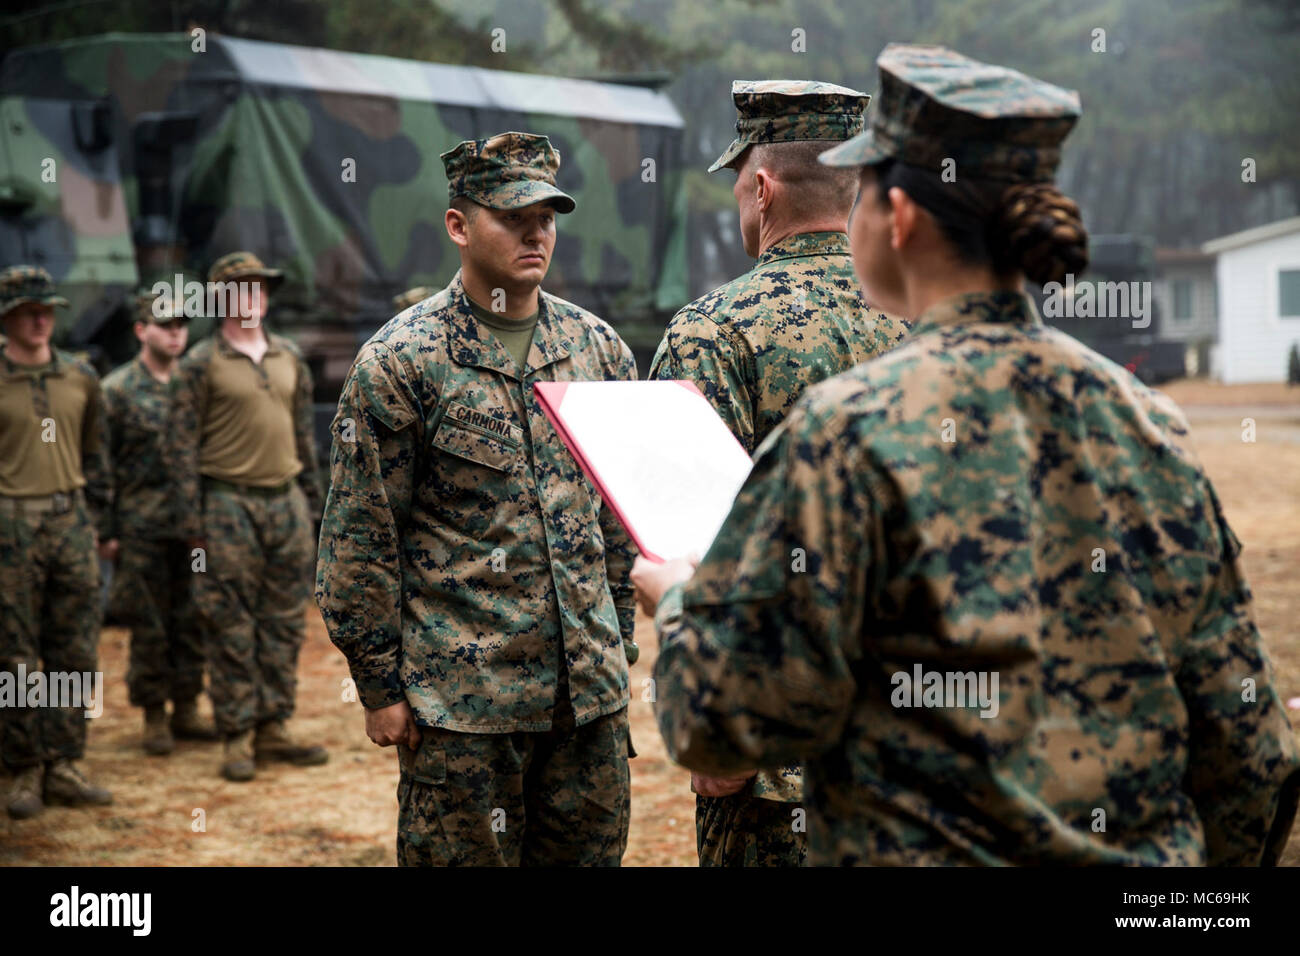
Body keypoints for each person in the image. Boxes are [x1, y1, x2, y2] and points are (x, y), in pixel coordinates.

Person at [634, 43, 1300, 866]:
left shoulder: (847, 433)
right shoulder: (1149, 427)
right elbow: (1254, 754)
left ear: (900, 219)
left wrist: (679, 603)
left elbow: (724, 720)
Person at [317, 131, 639, 867]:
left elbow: (618, 525)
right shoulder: (403, 361)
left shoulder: (599, 351)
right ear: (458, 225)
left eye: (548, 217)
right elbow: (360, 538)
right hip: (463, 711)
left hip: (586, 705)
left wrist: (616, 652)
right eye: (512, 215)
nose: (536, 232)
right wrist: (379, 684)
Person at [647, 79, 907, 867]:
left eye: (737, 184)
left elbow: (693, 545)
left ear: (760, 189)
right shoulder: (922, 319)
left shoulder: (710, 334)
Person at [172, 252, 328, 781]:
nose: (255, 296)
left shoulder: (289, 358)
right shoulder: (199, 364)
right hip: (226, 505)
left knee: (283, 622)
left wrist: (313, 504)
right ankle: (236, 732)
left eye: (261, 287)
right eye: (243, 288)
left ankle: (273, 725)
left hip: (284, 502)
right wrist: (193, 527)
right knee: (229, 622)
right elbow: (179, 451)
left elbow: (304, 438)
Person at [0, 265, 113, 818]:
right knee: (15, 655)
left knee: (74, 650)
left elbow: (94, 454)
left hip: (70, 523)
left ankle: (65, 760)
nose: (41, 318)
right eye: (28, 310)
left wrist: (99, 524)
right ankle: (22, 768)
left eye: (47, 308)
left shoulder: (80, 377)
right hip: (9, 528)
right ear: (8, 317)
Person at [101, 291, 217, 755]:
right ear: (139, 330)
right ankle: (153, 714)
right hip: (142, 526)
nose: (175, 333)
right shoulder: (117, 390)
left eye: (181, 325)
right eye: (164, 325)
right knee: (148, 624)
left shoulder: (198, 383)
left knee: (192, 616)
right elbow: (100, 466)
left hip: (194, 529)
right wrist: (106, 530)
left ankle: (187, 705)